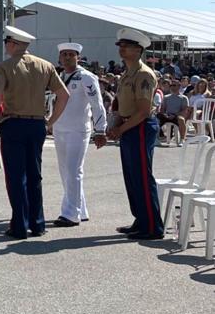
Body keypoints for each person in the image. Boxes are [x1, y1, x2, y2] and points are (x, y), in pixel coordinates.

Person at [0, 26, 69, 240]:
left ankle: (20, 225)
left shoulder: (5, 66)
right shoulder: (45, 65)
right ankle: (38, 223)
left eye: (7, 42)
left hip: (14, 123)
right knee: (35, 175)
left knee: (16, 177)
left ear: (12, 43)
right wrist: (50, 122)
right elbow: (64, 95)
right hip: (37, 124)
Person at [107, 28, 164, 240]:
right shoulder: (127, 74)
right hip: (129, 126)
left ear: (138, 50)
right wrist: (117, 125)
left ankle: (152, 225)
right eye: (121, 45)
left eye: (127, 46)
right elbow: (121, 104)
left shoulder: (143, 74)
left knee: (141, 176)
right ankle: (141, 219)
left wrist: (120, 129)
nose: (122, 49)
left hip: (139, 127)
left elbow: (142, 110)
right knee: (132, 177)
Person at [51, 43, 108, 228]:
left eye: (71, 54)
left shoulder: (86, 77)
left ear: (78, 57)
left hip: (78, 130)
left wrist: (101, 130)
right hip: (60, 129)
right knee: (65, 172)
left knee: (74, 171)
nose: (67, 57)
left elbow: (97, 104)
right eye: (64, 54)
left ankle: (70, 214)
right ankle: (80, 209)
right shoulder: (59, 76)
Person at [157, 80, 190, 144]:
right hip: (167, 115)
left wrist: (174, 115)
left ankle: (182, 139)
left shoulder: (184, 98)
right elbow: (163, 108)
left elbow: (184, 110)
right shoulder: (166, 97)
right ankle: (156, 138)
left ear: (179, 86)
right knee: (156, 118)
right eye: (171, 85)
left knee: (181, 119)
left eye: (174, 85)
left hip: (177, 116)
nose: (172, 87)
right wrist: (165, 114)